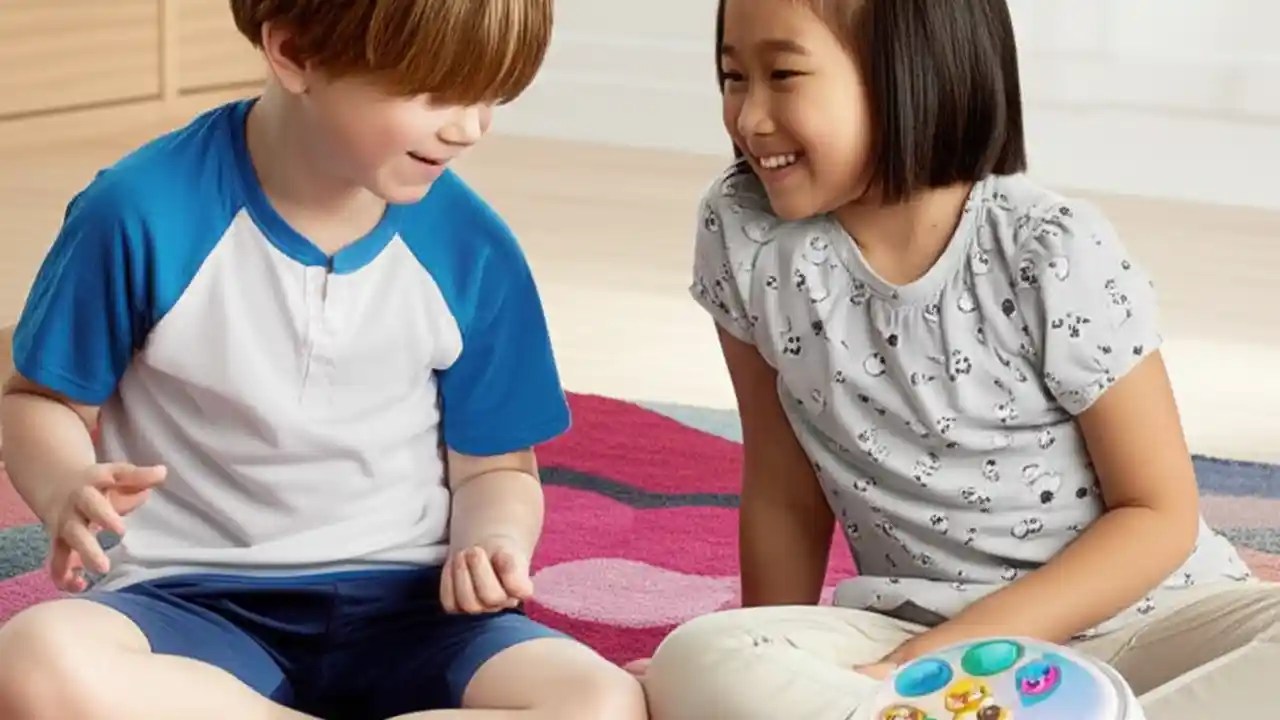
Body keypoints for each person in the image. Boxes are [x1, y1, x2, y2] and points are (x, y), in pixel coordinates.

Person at [0, 2, 646, 719]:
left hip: (414, 612)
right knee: (33, 665)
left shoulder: (474, 250)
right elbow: (41, 400)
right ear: (294, 52)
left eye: (488, 94)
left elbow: (496, 467)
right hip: (188, 606)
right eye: (433, 92)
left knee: (603, 701)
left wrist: (491, 540)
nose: (467, 127)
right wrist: (64, 488)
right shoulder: (137, 213)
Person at [640, 0, 1279, 718]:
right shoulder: (744, 235)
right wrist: (758, 641)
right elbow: (784, 489)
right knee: (701, 656)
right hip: (916, 642)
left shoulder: (1048, 248)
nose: (749, 118)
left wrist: (938, 655)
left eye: (784, 75)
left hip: (1144, 627)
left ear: (909, 70)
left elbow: (1157, 513)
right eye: (732, 77)